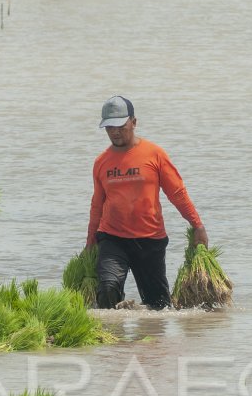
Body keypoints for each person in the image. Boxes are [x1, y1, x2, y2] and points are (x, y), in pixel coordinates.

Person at [85, 95, 209, 309]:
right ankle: (114, 341)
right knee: (107, 289)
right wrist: (90, 242)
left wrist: (197, 225)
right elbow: (97, 204)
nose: (114, 132)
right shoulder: (101, 162)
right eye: (109, 127)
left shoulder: (155, 154)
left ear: (133, 122)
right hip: (112, 238)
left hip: (150, 239)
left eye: (120, 126)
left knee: (159, 306)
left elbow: (177, 193)